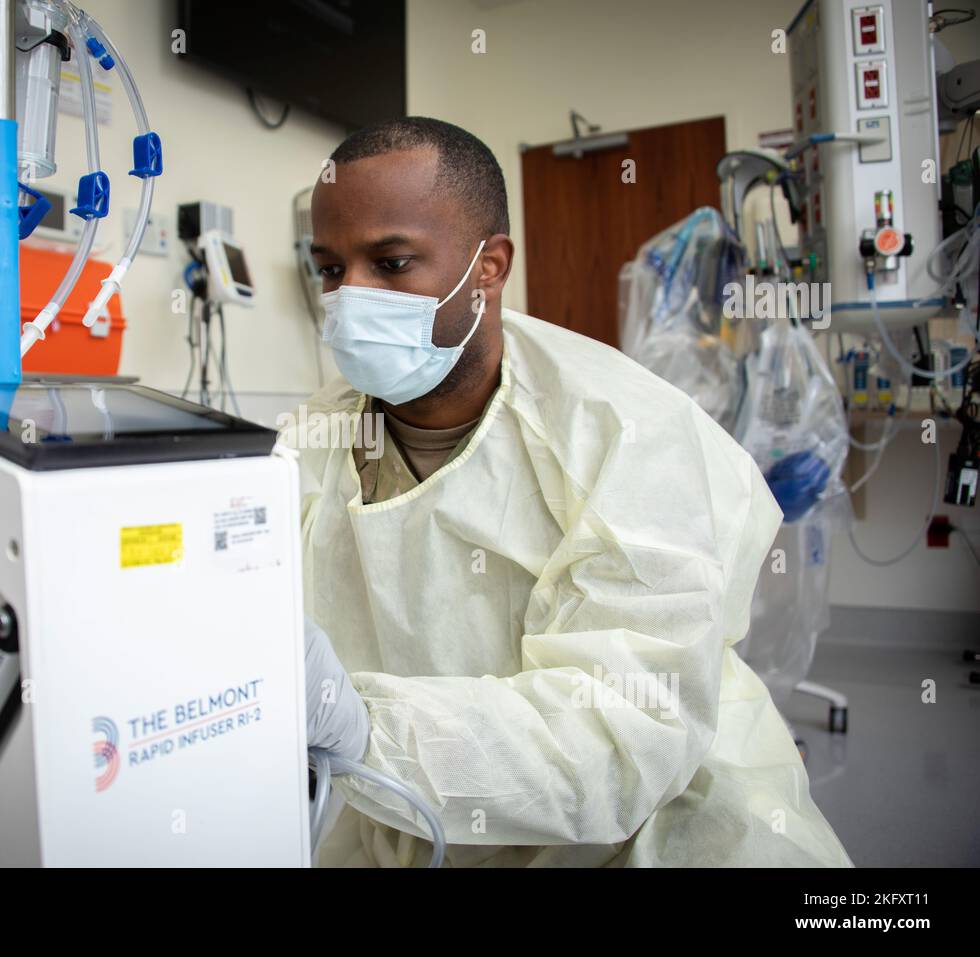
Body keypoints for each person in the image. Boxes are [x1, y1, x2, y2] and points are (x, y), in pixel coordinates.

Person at [285, 116, 852, 867]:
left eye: (390, 263)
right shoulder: (310, 441)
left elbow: (620, 737)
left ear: (489, 265)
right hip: (409, 817)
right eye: (330, 269)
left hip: (650, 834)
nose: (350, 299)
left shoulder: (627, 434)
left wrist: (358, 725)